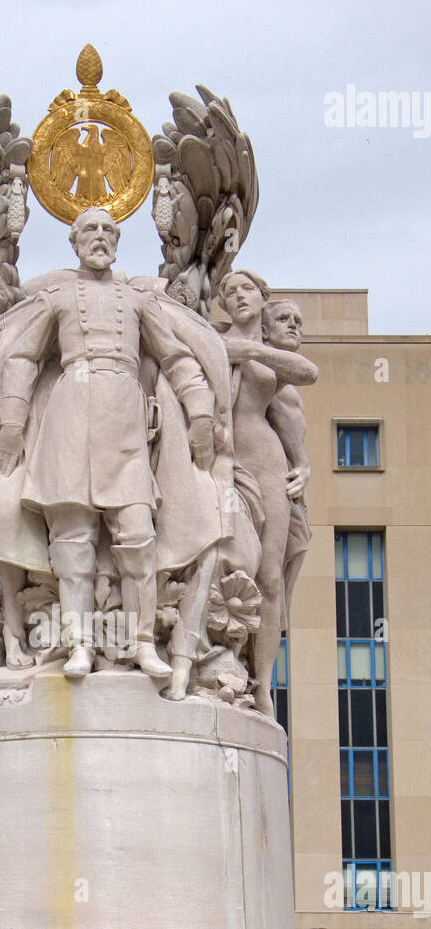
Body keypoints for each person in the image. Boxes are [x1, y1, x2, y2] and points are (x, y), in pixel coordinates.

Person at [0, 207, 218, 678]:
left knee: (138, 538)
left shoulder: (137, 300)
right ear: (74, 242)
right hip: (70, 413)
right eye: (90, 230)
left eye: (109, 230)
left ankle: (141, 644)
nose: (101, 237)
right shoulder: (56, 297)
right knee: (72, 541)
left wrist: (199, 411)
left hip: (124, 416)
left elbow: (175, 356)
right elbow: (23, 357)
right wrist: (12, 421)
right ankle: (80, 645)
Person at [216, 270, 318, 715]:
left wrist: (304, 463)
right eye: (231, 291)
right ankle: (221, 659)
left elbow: (307, 374)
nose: (240, 296)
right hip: (218, 464)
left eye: (248, 290)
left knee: (270, 577)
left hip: (266, 464)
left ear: (262, 298)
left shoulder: (269, 355)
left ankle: (263, 684)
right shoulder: (209, 335)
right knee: (220, 563)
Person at [262, 298, 313, 618]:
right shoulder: (265, 378)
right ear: (264, 331)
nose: (293, 324)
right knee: (270, 580)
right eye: (283, 318)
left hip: (291, 489)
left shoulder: (287, 378)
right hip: (270, 482)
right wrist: (302, 463)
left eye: (298, 320)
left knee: (282, 578)